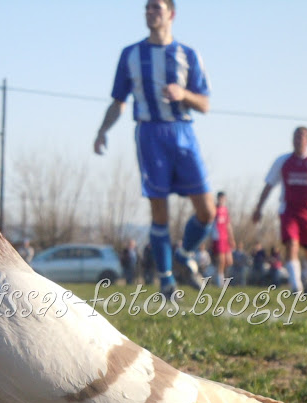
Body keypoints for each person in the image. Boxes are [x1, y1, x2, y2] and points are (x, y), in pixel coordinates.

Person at [93, 0, 215, 298]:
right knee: (159, 211)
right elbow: (119, 101)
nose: (150, 12)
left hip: (183, 133)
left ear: (171, 14)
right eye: (147, 8)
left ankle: (184, 254)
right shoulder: (131, 54)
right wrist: (102, 131)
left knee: (207, 211)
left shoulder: (189, 54)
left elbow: (205, 104)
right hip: (149, 134)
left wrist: (183, 94)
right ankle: (167, 281)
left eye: (156, 8)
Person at [252, 126, 307, 294]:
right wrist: (258, 208)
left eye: (302, 137)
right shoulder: (283, 161)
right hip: (289, 211)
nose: (298, 140)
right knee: (291, 245)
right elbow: (269, 186)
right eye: (295, 136)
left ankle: (306, 280)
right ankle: (296, 288)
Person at [210, 191, 235, 286]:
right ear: (218, 198)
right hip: (217, 237)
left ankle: (215, 273)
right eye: (220, 198)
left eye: (223, 198)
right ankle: (220, 283)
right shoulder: (214, 209)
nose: (222, 200)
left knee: (229, 261)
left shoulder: (225, 210)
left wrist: (231, 238)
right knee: (221, 260)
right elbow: (210, 224)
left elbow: (228, 225)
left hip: (225, 238)